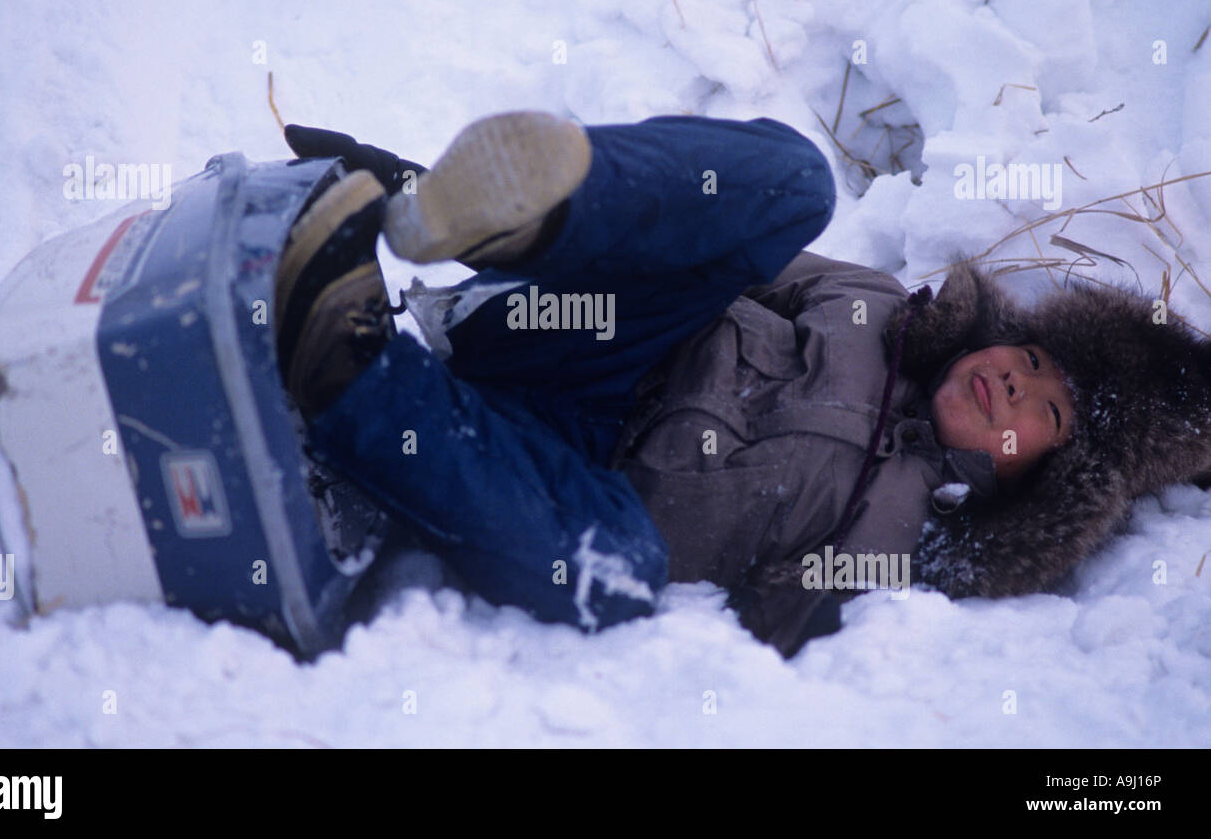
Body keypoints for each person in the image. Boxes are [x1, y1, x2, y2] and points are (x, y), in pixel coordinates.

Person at [273, 111, 1211, 657]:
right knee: (794, 182)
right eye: (1036, 358)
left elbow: (770, 626)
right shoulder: (881, 306)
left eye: (1047, 412)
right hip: (574, 331)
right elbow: (709, 239)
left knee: (618, 575)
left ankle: (347, 365)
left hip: (557, 472)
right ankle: (487, 216)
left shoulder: (901, 549)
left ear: (1033, 479)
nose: (1018, 381)